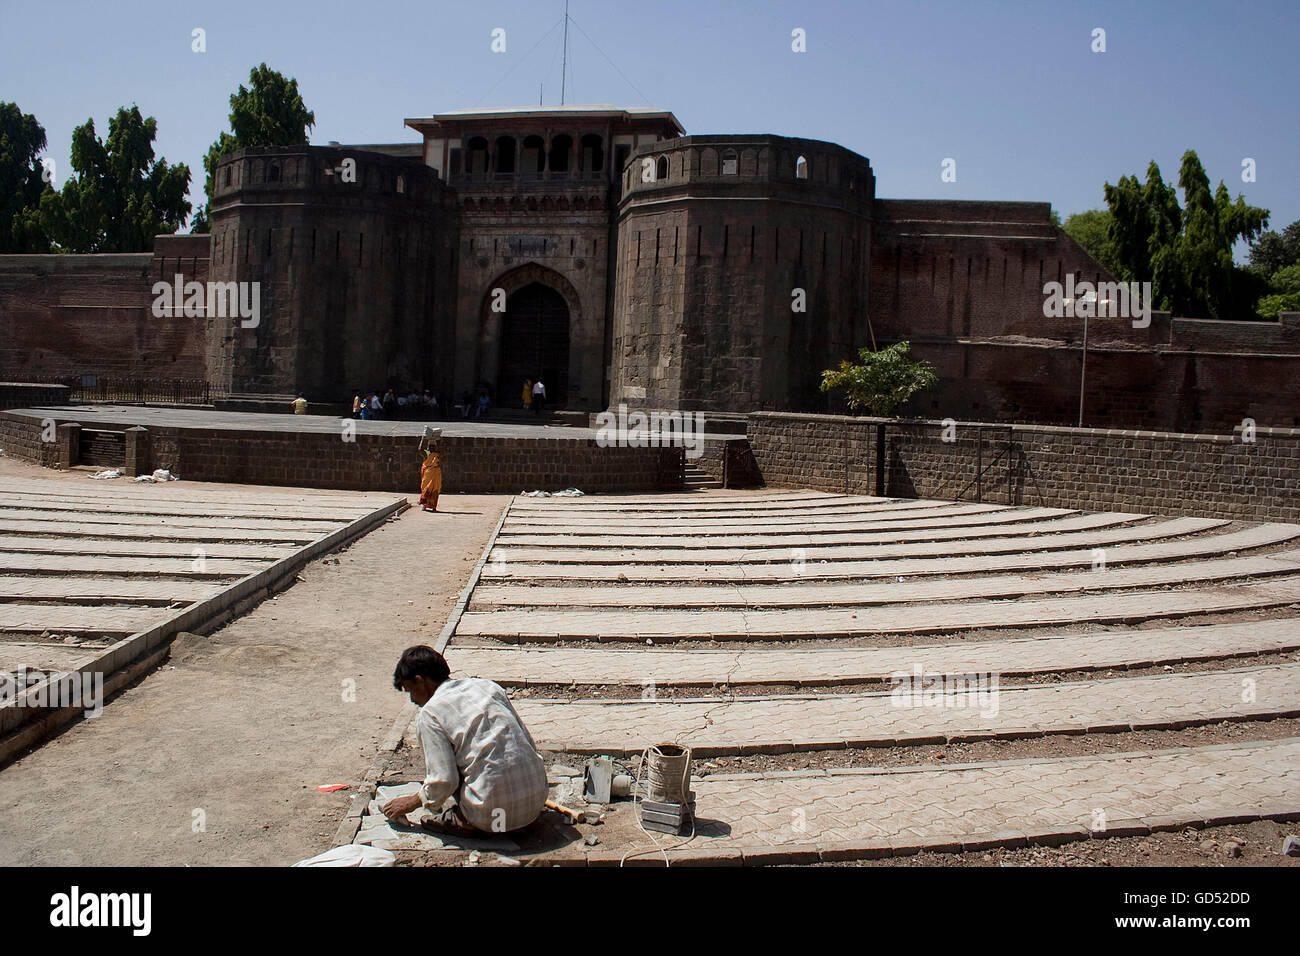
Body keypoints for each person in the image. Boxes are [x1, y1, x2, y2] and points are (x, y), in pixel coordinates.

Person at [382, 646, 548, 836]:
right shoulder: (487, 686)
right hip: (534, 804)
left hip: (491, 817)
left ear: (420, 681)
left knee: (451, 766)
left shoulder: (431, 714)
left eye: (410, 690)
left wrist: (412, 802)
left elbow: (444, 780)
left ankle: (466, 821)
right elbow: (525, 739)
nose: (412, 699)